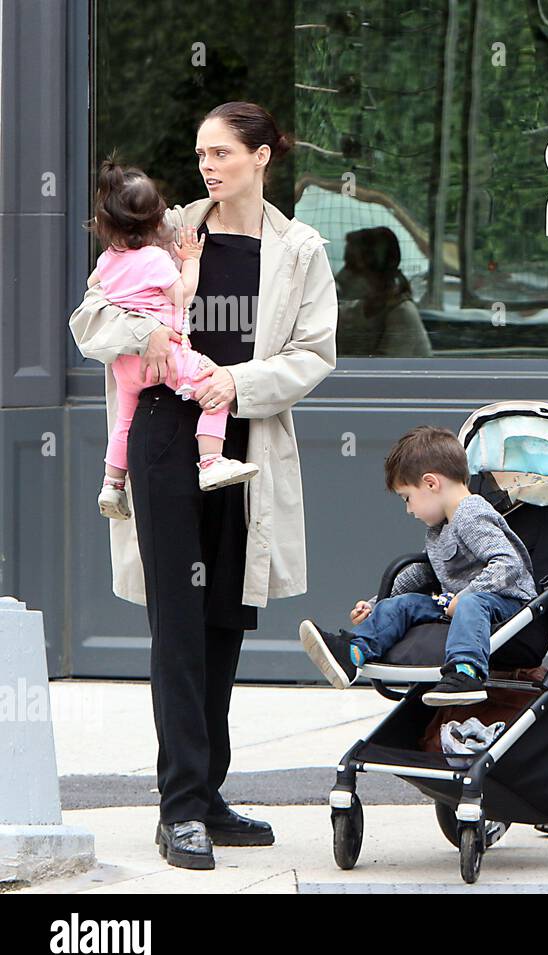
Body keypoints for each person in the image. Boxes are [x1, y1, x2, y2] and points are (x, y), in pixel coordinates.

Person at [69, 101, 338, 870]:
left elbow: (314, 354)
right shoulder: (168, 226)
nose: (208, 166)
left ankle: (207, 791)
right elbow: (91, 319)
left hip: (244, 441)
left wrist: (234, 381)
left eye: (222, 152)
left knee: (224, 619)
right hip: (161, 437)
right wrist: (144, 333)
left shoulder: (300, 249)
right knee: (178, 620)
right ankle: (179, 804)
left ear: (263, 156)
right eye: (201, 154)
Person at [299, 425, 536, 706]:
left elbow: (507, 563)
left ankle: (465, 673)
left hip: (506, 606)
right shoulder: (440, 528)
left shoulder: (471, 514)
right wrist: (377, 603)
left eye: (407, 498)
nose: (409, 510)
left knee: (473, 605)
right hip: (458, 605)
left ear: (431, 483)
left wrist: (468, 595)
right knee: (405, 603)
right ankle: (353, 653)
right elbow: (422, 573)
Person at [89, 160, 259, 523]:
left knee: (124, 421)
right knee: (215, 386)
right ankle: (211, 461)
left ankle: (112, 483)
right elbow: (183, 293)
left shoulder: (106, 261)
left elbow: (99, 295)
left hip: (127, 364)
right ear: (154, 222)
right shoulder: (152, 258)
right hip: (168, 356)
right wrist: (190, 259)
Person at [335, 226, 433, 357]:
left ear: (377, 271)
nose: (341, 276)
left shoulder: (403, 315)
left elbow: (383, 373)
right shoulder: (354, 312)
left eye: (353, 266)